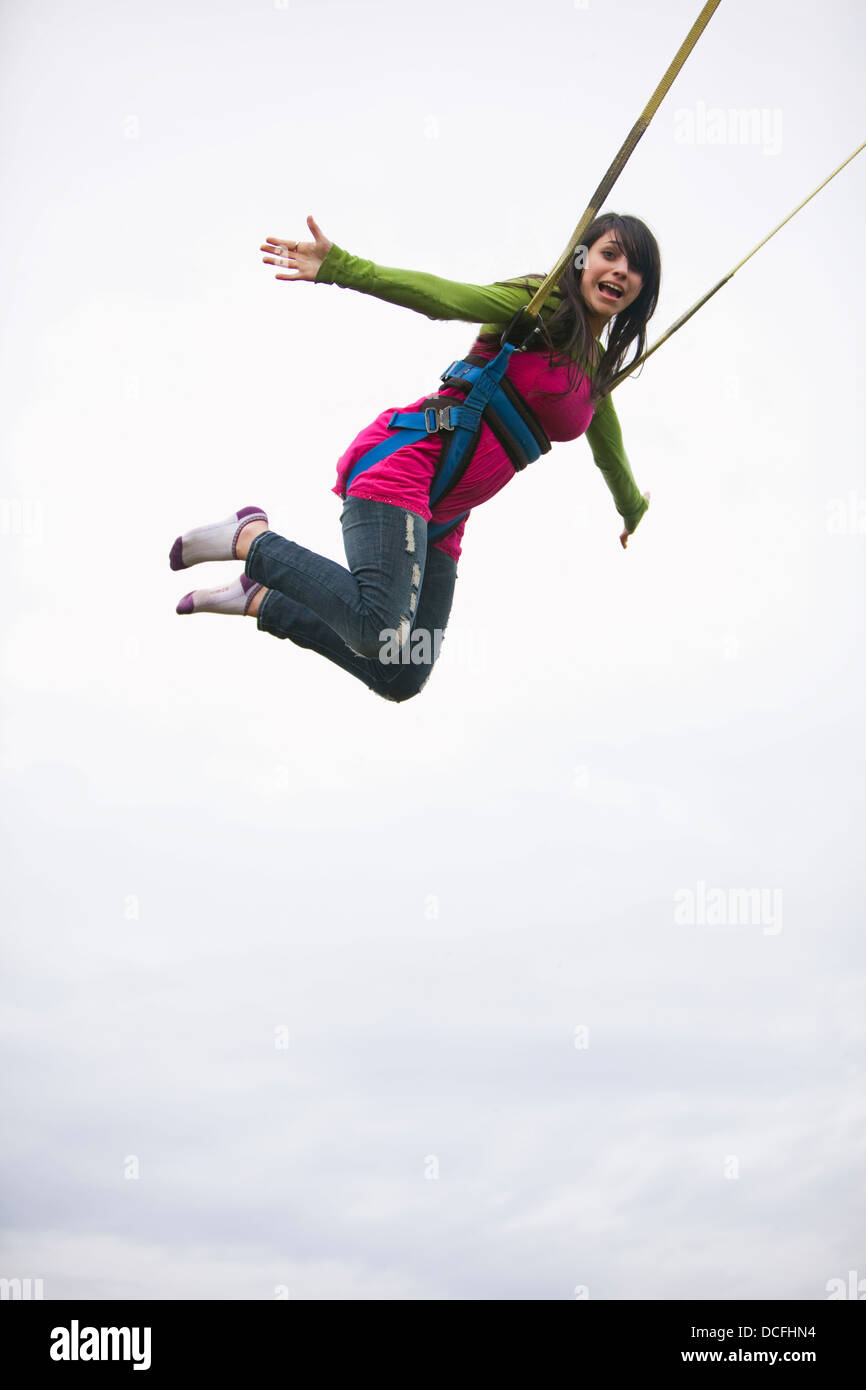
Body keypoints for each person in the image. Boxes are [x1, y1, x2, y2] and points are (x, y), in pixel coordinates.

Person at [170, 212, 660, 701]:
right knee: (376, 631)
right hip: (405, 469)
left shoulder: (594, 377)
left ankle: (261, 599)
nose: (618, 271)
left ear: (642, 288)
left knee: (402, 671)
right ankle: (251, 537)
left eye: (632, 266)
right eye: (608, 255)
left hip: (443, 518)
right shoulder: (537, 307)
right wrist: (344, 268)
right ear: (581, 260)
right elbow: (443, 296)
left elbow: (611, 457)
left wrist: (633, 510)